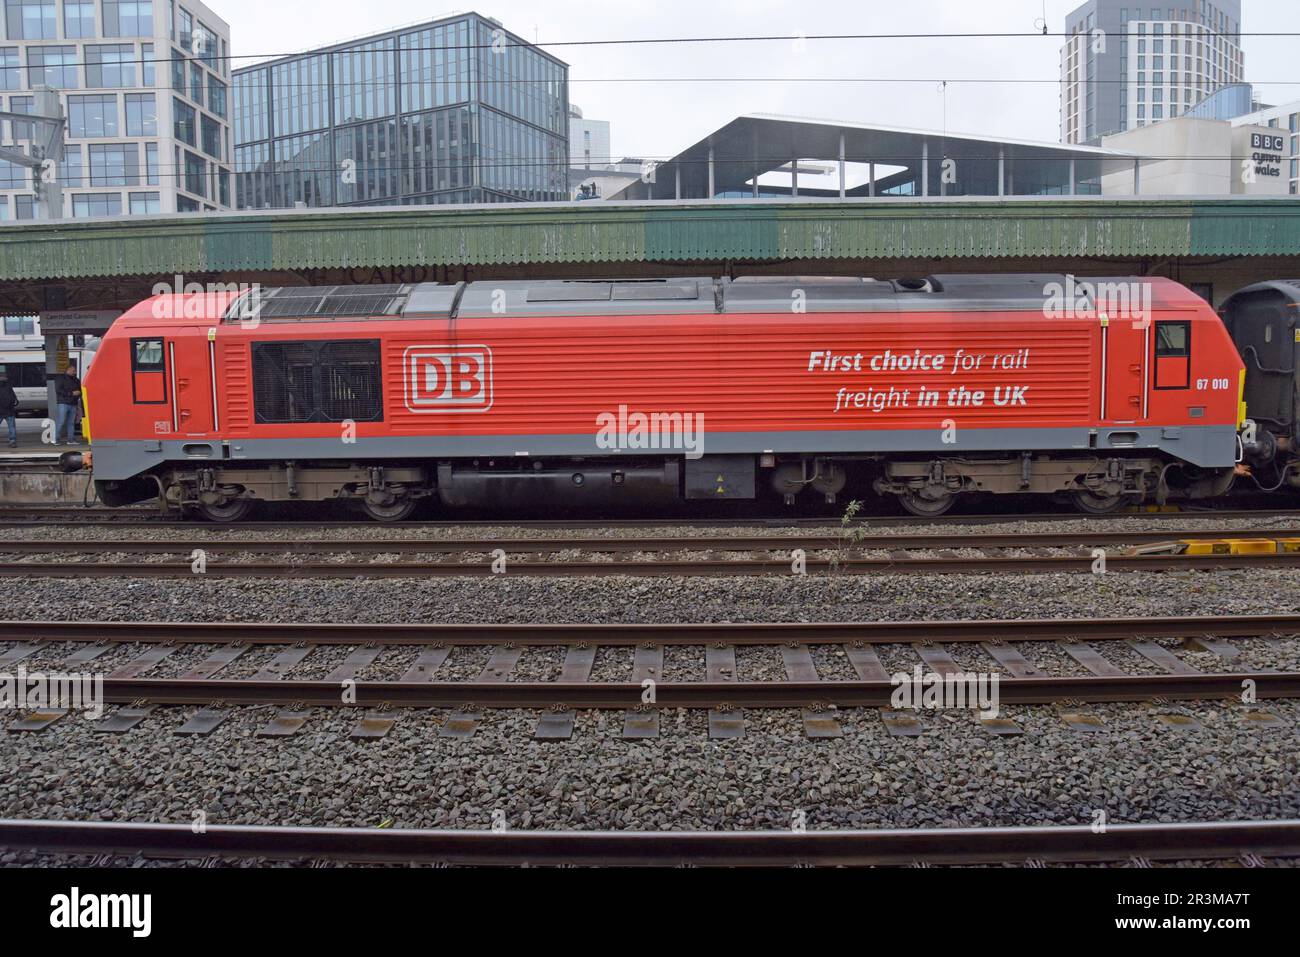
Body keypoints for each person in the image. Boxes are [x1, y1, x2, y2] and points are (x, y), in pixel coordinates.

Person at [55, 362, 81, 445]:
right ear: (68, 370)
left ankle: (71, 440)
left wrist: (78, 394)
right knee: (61, 421)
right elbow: (58, 390)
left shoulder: (76, 380)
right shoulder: (61, 378)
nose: (75, 372)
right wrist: (72, 393)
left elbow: (80, 390)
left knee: (71, 423)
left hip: (73, 403)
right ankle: (56, 439)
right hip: (63, 403)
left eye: (75, 371)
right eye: (73, 371)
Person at [0, 373, 17, 448]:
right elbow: (14, 398)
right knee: (11, 427)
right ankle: (12, 441)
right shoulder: (9, 386)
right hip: (9, 410)